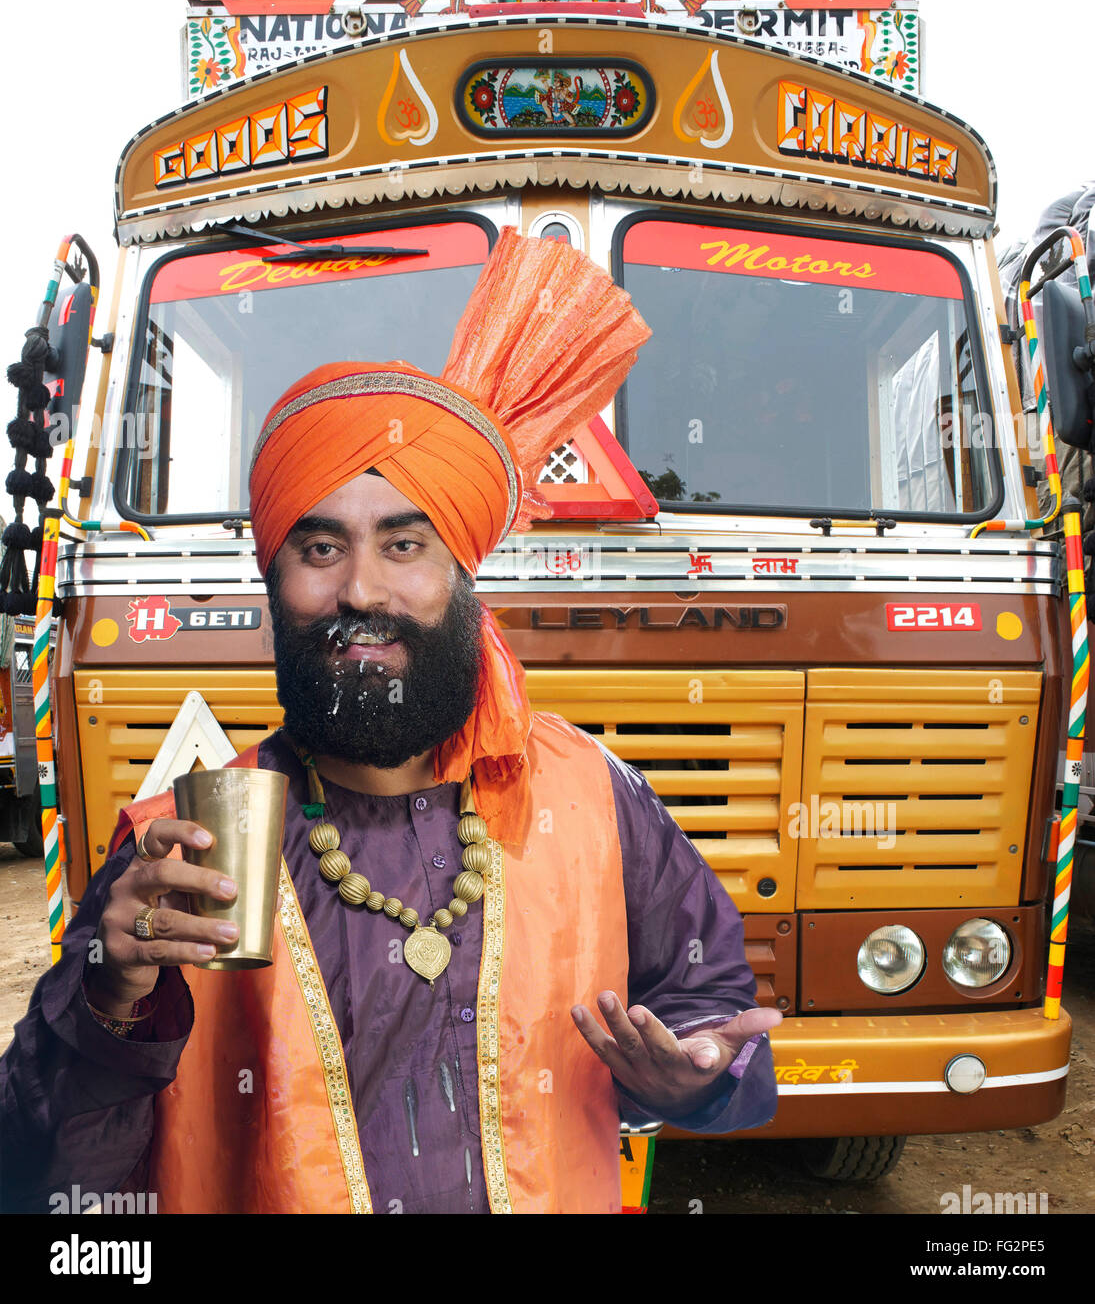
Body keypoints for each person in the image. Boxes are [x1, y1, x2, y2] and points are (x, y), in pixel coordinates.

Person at [1, 228, 780, 1214]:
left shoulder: (594, 797)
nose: (360, 588)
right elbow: (45, 1176)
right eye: (319, 547)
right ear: (273, 581)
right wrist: (107, 995)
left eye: (405, 543)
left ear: (462, 573)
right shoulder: (184, 843)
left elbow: (709, 1005)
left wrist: (697, 1072)